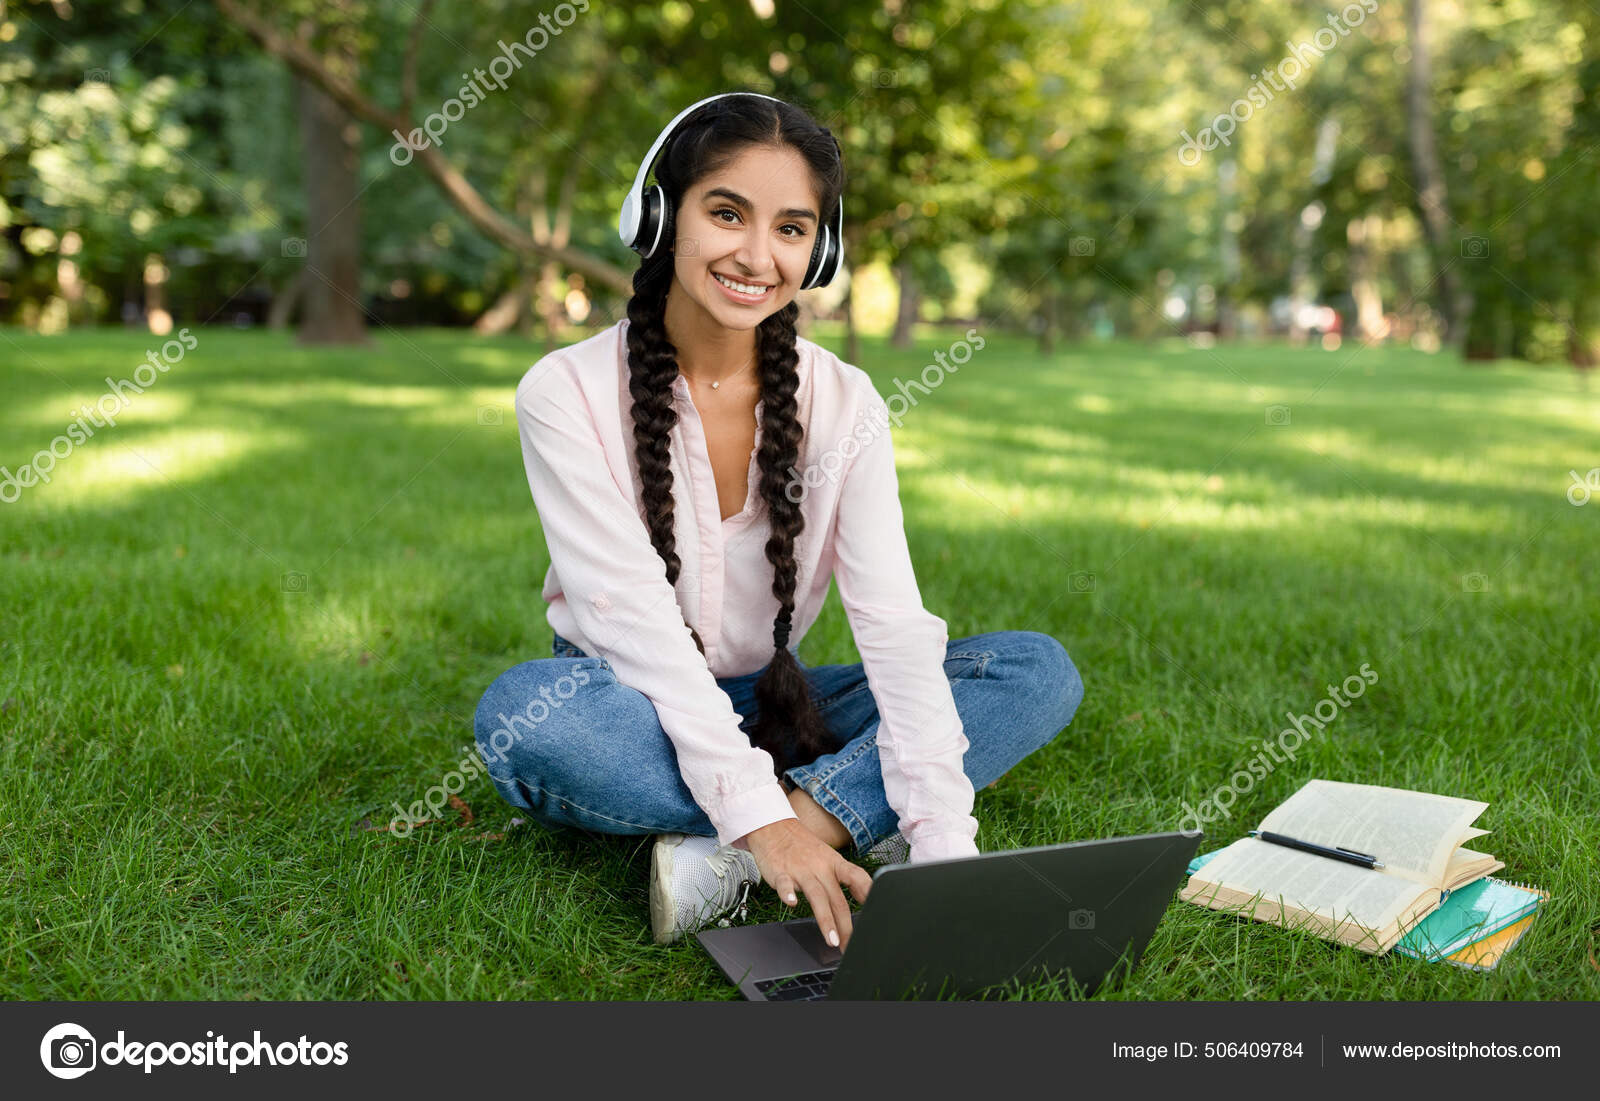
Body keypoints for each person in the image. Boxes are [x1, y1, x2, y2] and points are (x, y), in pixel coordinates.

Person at [474, 92, 1084, 950]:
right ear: (660, 215)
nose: (757, 255)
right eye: (727, 212)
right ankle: (813, 811)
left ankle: (741, 847)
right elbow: (636, 627)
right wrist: (764, 816)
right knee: (528, 713)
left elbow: (891, 624)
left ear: (820, 250)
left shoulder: (845, 400)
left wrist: (945, 846)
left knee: (1033, 670)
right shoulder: (563, 391)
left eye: (792, 228)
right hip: (626, 702)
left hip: (779, 701)